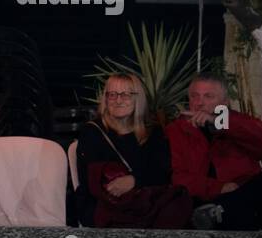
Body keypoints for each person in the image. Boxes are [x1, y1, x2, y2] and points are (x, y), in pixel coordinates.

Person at [74, 74, 191, 228]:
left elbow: (162, 173)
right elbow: (95, 181)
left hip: (144, 203)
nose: (118, 100)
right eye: (112, 94)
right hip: (104, 205)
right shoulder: (92, 132)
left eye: (126, 95)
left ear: (138, 99)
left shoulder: (153, 132)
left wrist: (135, 180)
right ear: (105, 99)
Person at [166, 74, 262, 230]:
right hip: (200, 202)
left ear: (224, 103)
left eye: (208, 96)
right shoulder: (175, 130)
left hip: (243, 199)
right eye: (194, 96)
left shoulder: (238, 122)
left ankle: (222, 211)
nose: (200, 102)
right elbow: (177, 177)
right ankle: (219, 212)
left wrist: (219, 122)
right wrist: (219, 188)